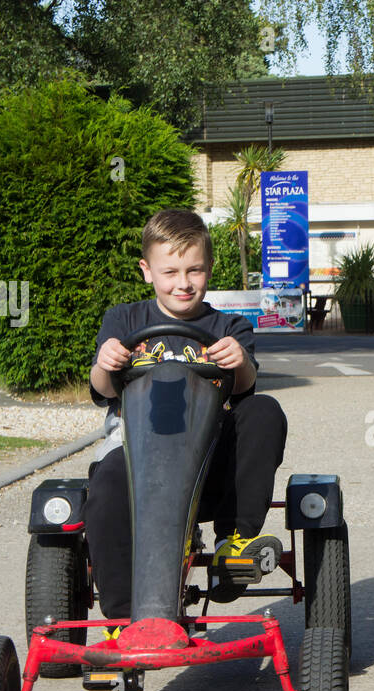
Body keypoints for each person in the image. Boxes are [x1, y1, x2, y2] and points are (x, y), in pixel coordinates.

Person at [85, 208, 288, 630]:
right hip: (138, 460)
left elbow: (243, 388)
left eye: (194, 270)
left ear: (209, 269)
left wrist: (240, 362)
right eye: (170, 271)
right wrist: (106, 363)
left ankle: (235, 545)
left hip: (207, 466)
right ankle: (125, 616)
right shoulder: (124, 320)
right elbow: (103, 389)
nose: (183, 283)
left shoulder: (226, 326)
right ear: (147, 271)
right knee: (104, 482)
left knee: (263, 411)